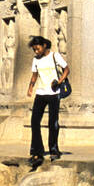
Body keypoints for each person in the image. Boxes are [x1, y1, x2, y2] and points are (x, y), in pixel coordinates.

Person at [25, 35, 68, 167]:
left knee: (52, 122)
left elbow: (66, 69)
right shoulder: (36, 60)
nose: (36, 51)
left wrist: (59, 82)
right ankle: (37, 151)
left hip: (53, 93)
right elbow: (34, 75)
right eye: (34, 49)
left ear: (44, 45)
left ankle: (54, 150)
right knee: (34, 121)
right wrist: (30, 87)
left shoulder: (55, 56)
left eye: (37, 48)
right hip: (41, 93)